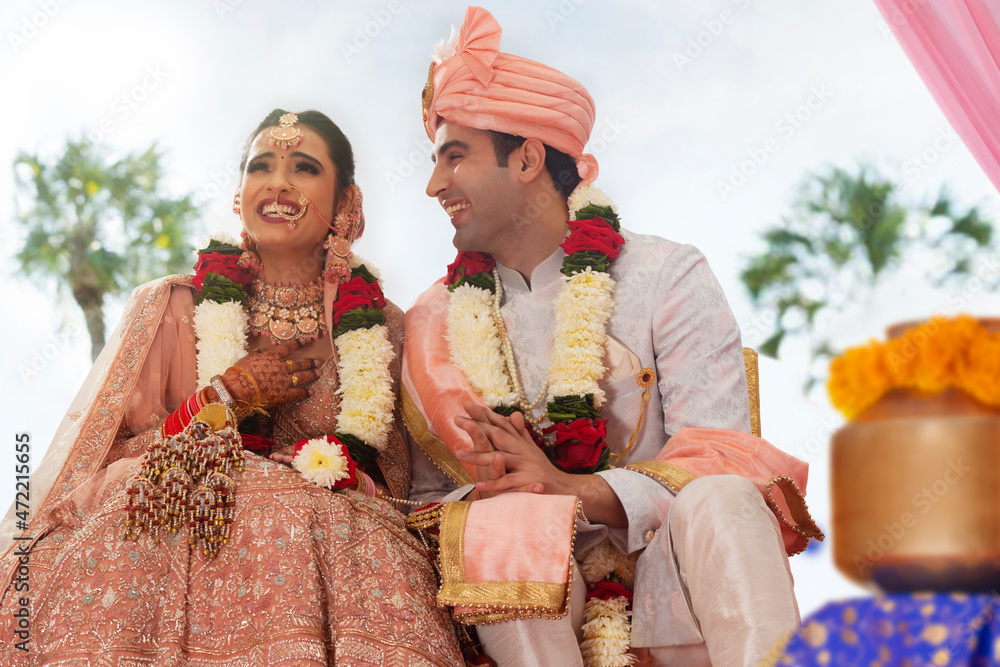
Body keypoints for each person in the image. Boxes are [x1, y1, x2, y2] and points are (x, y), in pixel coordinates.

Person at [403, 8, 824, 666]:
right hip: (533, 600)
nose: (434, 187)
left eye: (454, 158)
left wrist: (573, 487)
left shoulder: (664, 274)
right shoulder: (433, 322)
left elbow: (719, 452)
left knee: (725, 495)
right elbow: (424, 500)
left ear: (529, 160)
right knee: (498, 523)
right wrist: (515, 492)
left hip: (669, 580)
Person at [0, 109, 464, 666]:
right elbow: (99, 462)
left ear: (346, 203)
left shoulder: (382, 325)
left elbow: (394, 480)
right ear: (240, 192)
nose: (278, 183)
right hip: (171, 533)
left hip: (334, 557)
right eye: (260, 166)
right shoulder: (171, 307)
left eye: (305, 168)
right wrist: (223, 398)